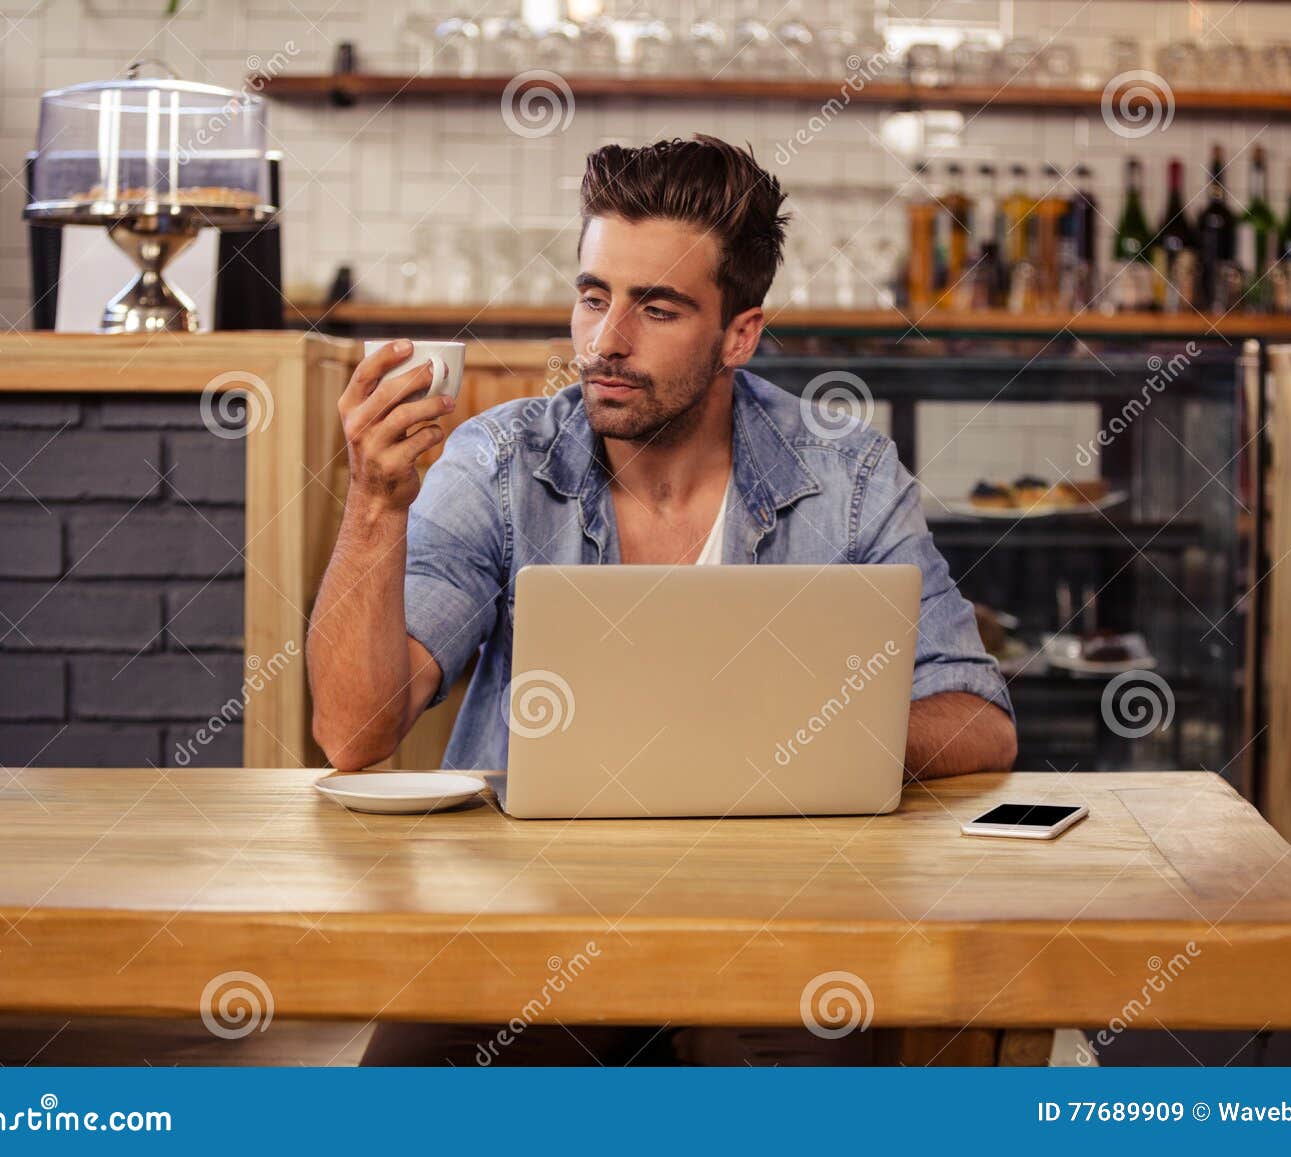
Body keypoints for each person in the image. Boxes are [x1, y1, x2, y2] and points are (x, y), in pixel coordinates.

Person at [306, 135, 1017, 1066]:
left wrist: (812, 739)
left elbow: (981, 721)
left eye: (658, 308)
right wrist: (373, 504)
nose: (607, 340)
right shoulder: (495, 460)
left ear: (740, 334)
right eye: (593, 296)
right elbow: (355, 733)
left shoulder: (846, 476)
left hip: (783, 935)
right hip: (527, 934)